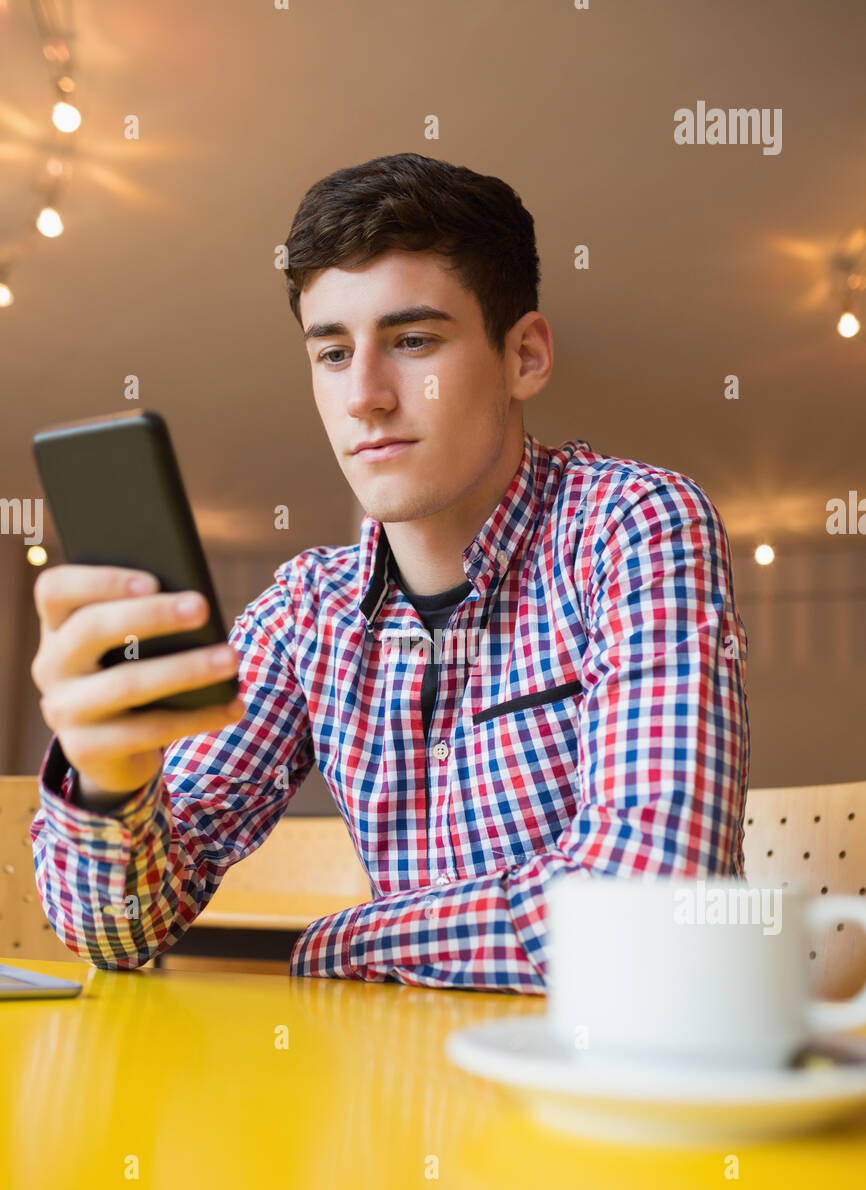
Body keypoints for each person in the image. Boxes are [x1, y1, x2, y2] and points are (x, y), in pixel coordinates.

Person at [29, 152, 750, 991]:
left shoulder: (635, 524)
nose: (364, 395)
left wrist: (347, 942)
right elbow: (116, 937)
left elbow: (648, 912)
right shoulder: (308, 612)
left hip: (628, 1092)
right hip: (404, 1092)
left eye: (412, 341)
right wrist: (112, 784)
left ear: (524, 357)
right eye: (332, 354)